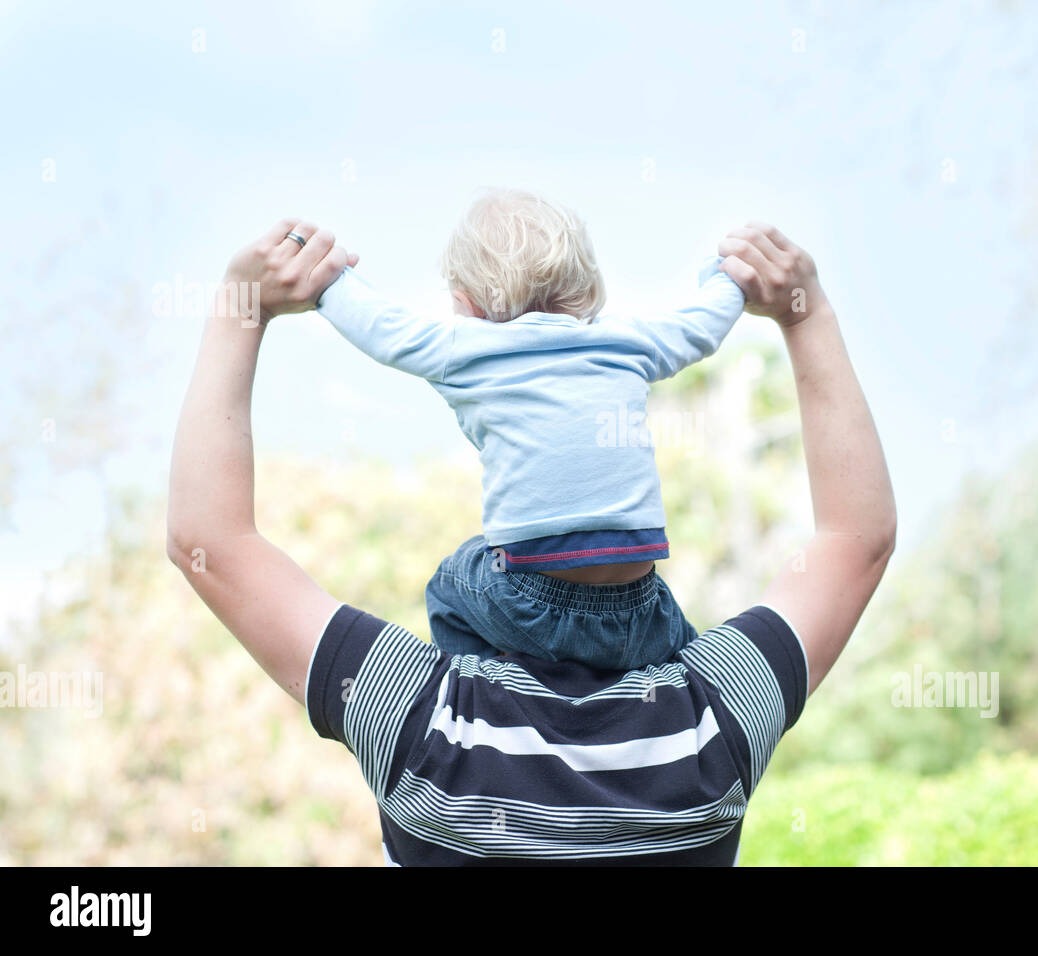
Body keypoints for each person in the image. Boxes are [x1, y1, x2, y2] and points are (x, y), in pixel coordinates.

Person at [167, 218, 896, 865]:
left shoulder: (425, 731)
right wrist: (807, 315)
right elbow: (855, 541)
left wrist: (243, 304)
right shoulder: (710, 730)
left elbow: (210, 541)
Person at [314, 188, 746, 669]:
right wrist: (726, 277)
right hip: (643, 609)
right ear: (587, 288)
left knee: (448, 587)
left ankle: (491, 690)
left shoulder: (466, 348)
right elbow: (701, 326)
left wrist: (330, 281)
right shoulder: (627, 342)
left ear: (466, 302)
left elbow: (380, 327)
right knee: (688, 659)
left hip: (529, 602)